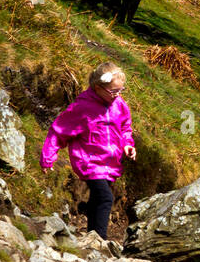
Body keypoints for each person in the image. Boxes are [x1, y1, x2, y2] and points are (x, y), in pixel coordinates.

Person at [40, 62, 136, 240]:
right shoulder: (82, 107)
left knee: (98, 198)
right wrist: (48, 157)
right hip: (89, 160)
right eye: (113, 91)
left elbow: (125, 128)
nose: (117, 95)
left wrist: (127, 144)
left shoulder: (119, 105)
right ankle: (99, 239)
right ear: (98, 87)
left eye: (120, 90)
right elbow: (59, 130)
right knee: (106, 197)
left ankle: (91, 234)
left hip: (110, 160)